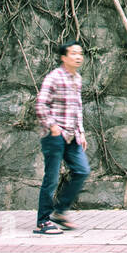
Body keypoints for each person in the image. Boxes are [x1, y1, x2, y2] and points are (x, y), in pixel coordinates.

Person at [34, 39, 91, 234]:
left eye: (80, 53)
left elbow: (78, 108)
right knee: (51, 178)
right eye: (73, 53)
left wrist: (81, 132)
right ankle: (43, 222)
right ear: (63, 57)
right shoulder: (54, 77)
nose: (78, 57)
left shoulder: (77, 79)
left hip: (72, 136)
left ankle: (59, 211)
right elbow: (41, 104)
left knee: (82, 170)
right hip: (55, 136)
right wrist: (52, 126)